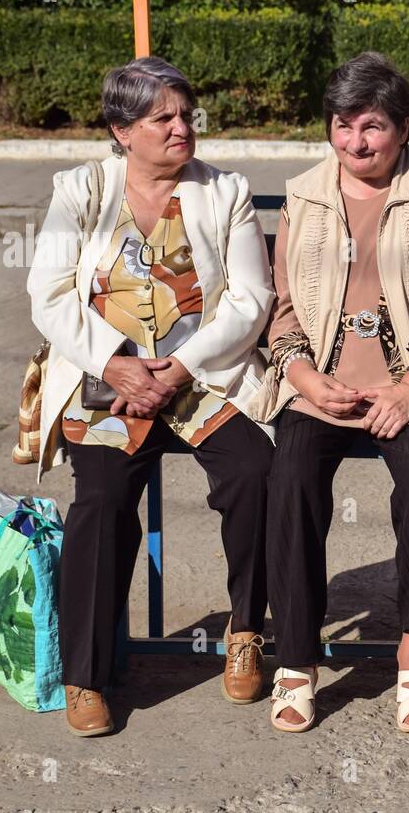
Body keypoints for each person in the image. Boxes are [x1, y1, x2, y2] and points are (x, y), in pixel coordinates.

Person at [27, 57, 276, 737]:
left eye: (186, 115)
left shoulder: (224, 191)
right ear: (121, 130)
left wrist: (177, 368)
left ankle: (247, 630)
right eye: (162, 117)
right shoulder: (79, 189)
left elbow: (253, 298)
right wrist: (119, 364)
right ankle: (86, 673)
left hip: (200, 378)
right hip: (107, 383)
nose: (181, 128)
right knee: (102, 502)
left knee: (256, 470)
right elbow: (47, 297)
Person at [249, 52, 409, 735]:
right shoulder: (305, 192)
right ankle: (295, 661)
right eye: (343, 126)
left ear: (403, 128)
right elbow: (282, 302)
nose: (356, 143)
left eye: (372, 126)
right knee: (286, 482)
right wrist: (303, 376)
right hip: (322, 386)